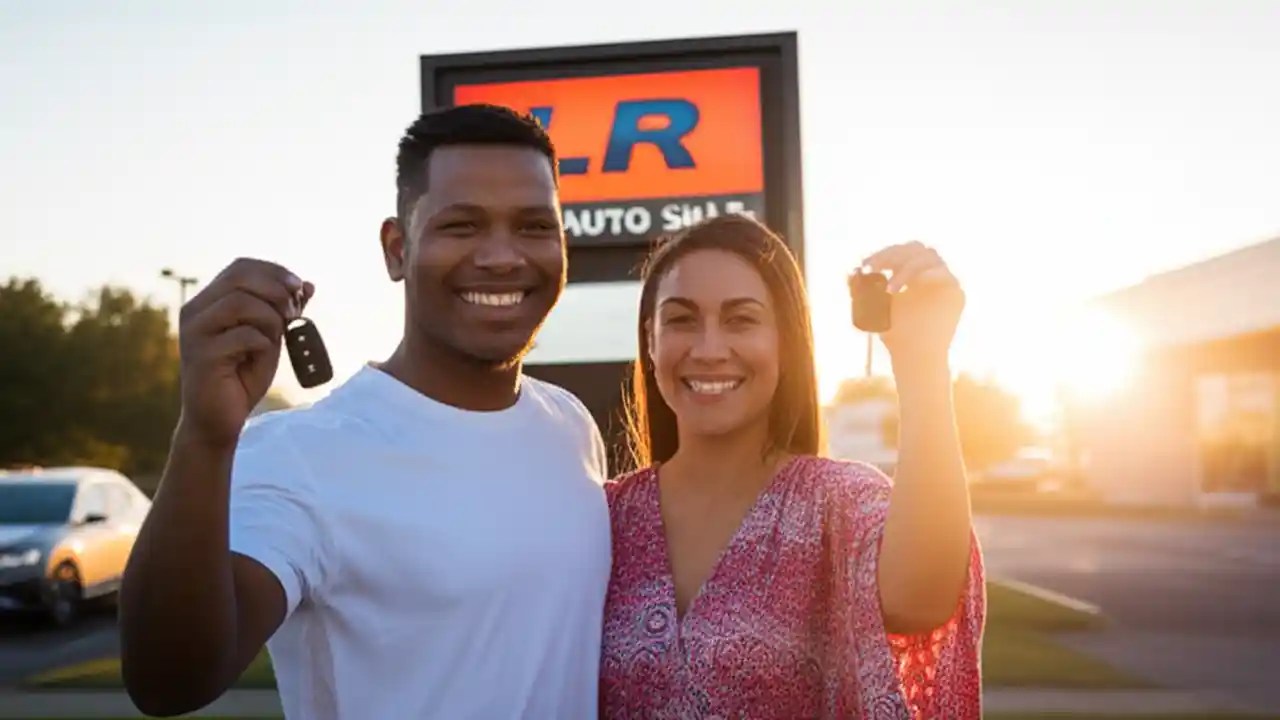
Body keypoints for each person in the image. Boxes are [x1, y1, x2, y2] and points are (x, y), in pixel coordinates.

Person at [119, 104, 612, 719]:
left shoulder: (569, 424)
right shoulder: (299, 455)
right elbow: (169, 682)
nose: (502, 256)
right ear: (397, 248)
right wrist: (202, 438)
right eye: (462, 226)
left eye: (536, 226)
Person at [600, 214, 985, 718]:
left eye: (741, 319)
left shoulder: (838, 504)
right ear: (649, 343)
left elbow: (923, 600)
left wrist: (923, 358)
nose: (709, 349)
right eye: (681, 319)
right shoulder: (600, 518)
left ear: (786, 342)